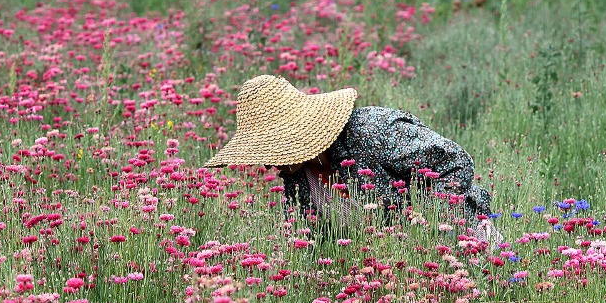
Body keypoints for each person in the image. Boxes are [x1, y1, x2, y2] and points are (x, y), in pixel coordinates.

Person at [205, 75, 501, 242]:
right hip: (392, 275)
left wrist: (435, 229)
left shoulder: (374, 131)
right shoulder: (297, 176)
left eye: (273, 149)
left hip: (463, 247)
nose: (270, 163)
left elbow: (454, 160)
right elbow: (310, 239)